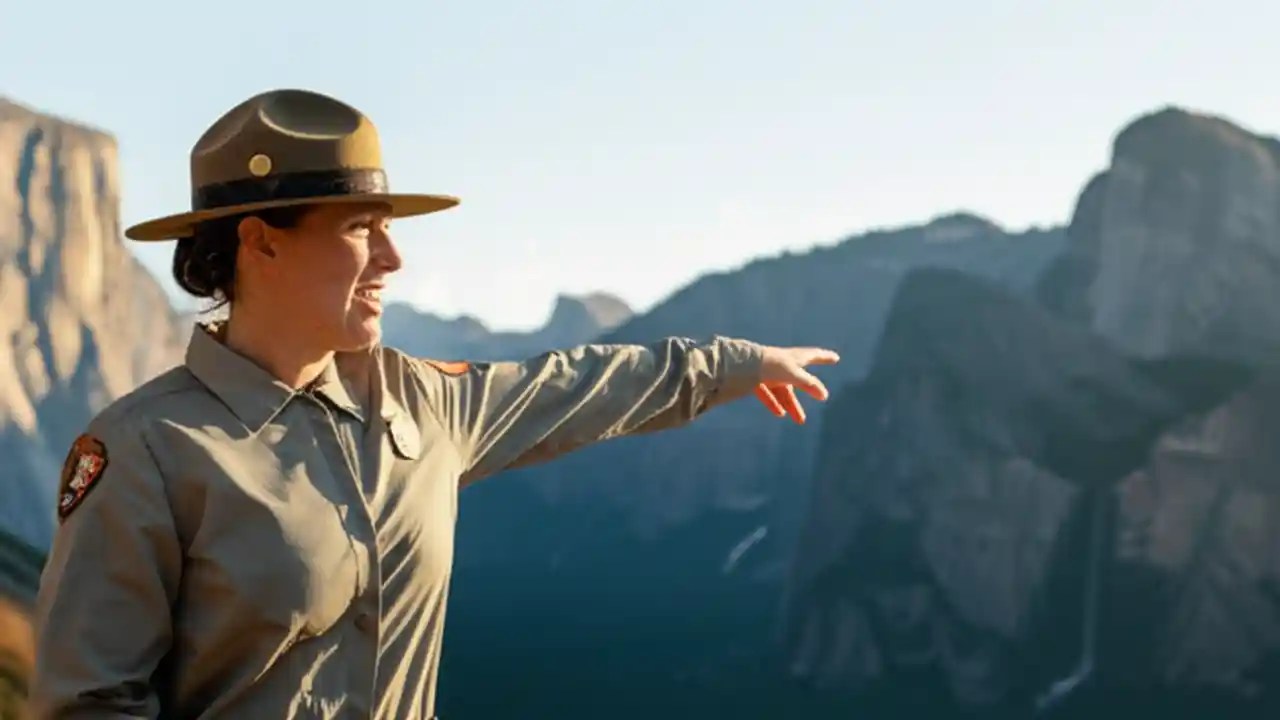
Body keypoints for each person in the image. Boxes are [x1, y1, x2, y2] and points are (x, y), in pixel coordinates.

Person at [28, 88, 840, 720]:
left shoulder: (422, 404)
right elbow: (88, 704)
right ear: (261, 240)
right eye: (361, 228)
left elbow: (578, 386)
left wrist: (732, 365)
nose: (393, 257)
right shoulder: (145, 451)